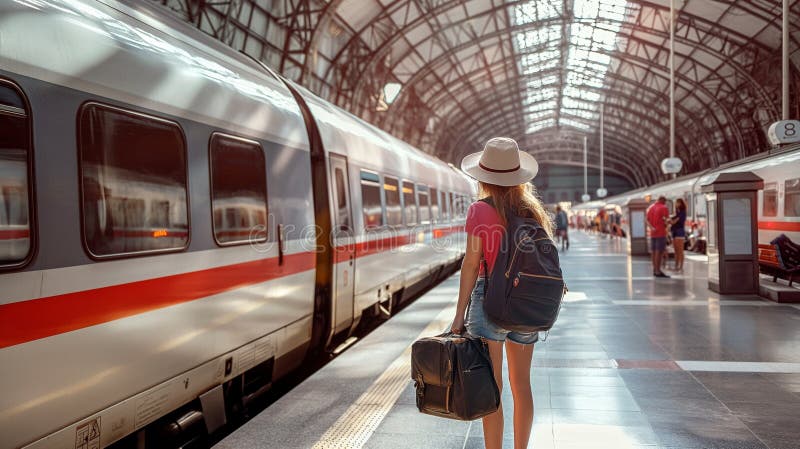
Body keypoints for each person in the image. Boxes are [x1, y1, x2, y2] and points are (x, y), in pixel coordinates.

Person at [451, 137, 552, 449]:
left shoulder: (479, 210)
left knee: (491, 386)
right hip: (527, 304)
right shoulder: (533, 211)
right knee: (522, 386)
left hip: (489, 301)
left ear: (484, 177)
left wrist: (459, 316)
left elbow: (471, 265)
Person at [646, 196, 670, 278]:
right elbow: (667, 220)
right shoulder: (664, 207)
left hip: (653, 233)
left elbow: (646, 220)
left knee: (653, 251)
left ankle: (654, 269)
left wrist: (651, 228)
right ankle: (658, 271)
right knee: (659, 252)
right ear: (663, 201)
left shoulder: (651, 207)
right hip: (661, 233)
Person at [670, 198, 687, 271]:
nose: (676, 204)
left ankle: (681, 266)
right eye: (676, 203)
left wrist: (669, 221)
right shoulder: (677, 212)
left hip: (679, 232)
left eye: (678, 203)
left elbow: (674, 222)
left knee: (680, 250)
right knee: (676, 250)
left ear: (681, 204)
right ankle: (676, 265)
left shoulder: (682, 213)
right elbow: (672, 221)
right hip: (674, 232)